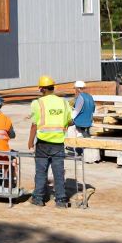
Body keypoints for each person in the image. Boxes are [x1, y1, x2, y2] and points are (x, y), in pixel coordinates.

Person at [28, 75, 73, 209]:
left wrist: (30, 141)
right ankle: (61, 200)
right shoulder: (64, 102)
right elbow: (70, 121)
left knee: (41, 172)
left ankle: (38, 198)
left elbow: (34, 125)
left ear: (42, 89)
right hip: (58, 143)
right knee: (58, 173)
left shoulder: (37, 103)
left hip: (42, 142)